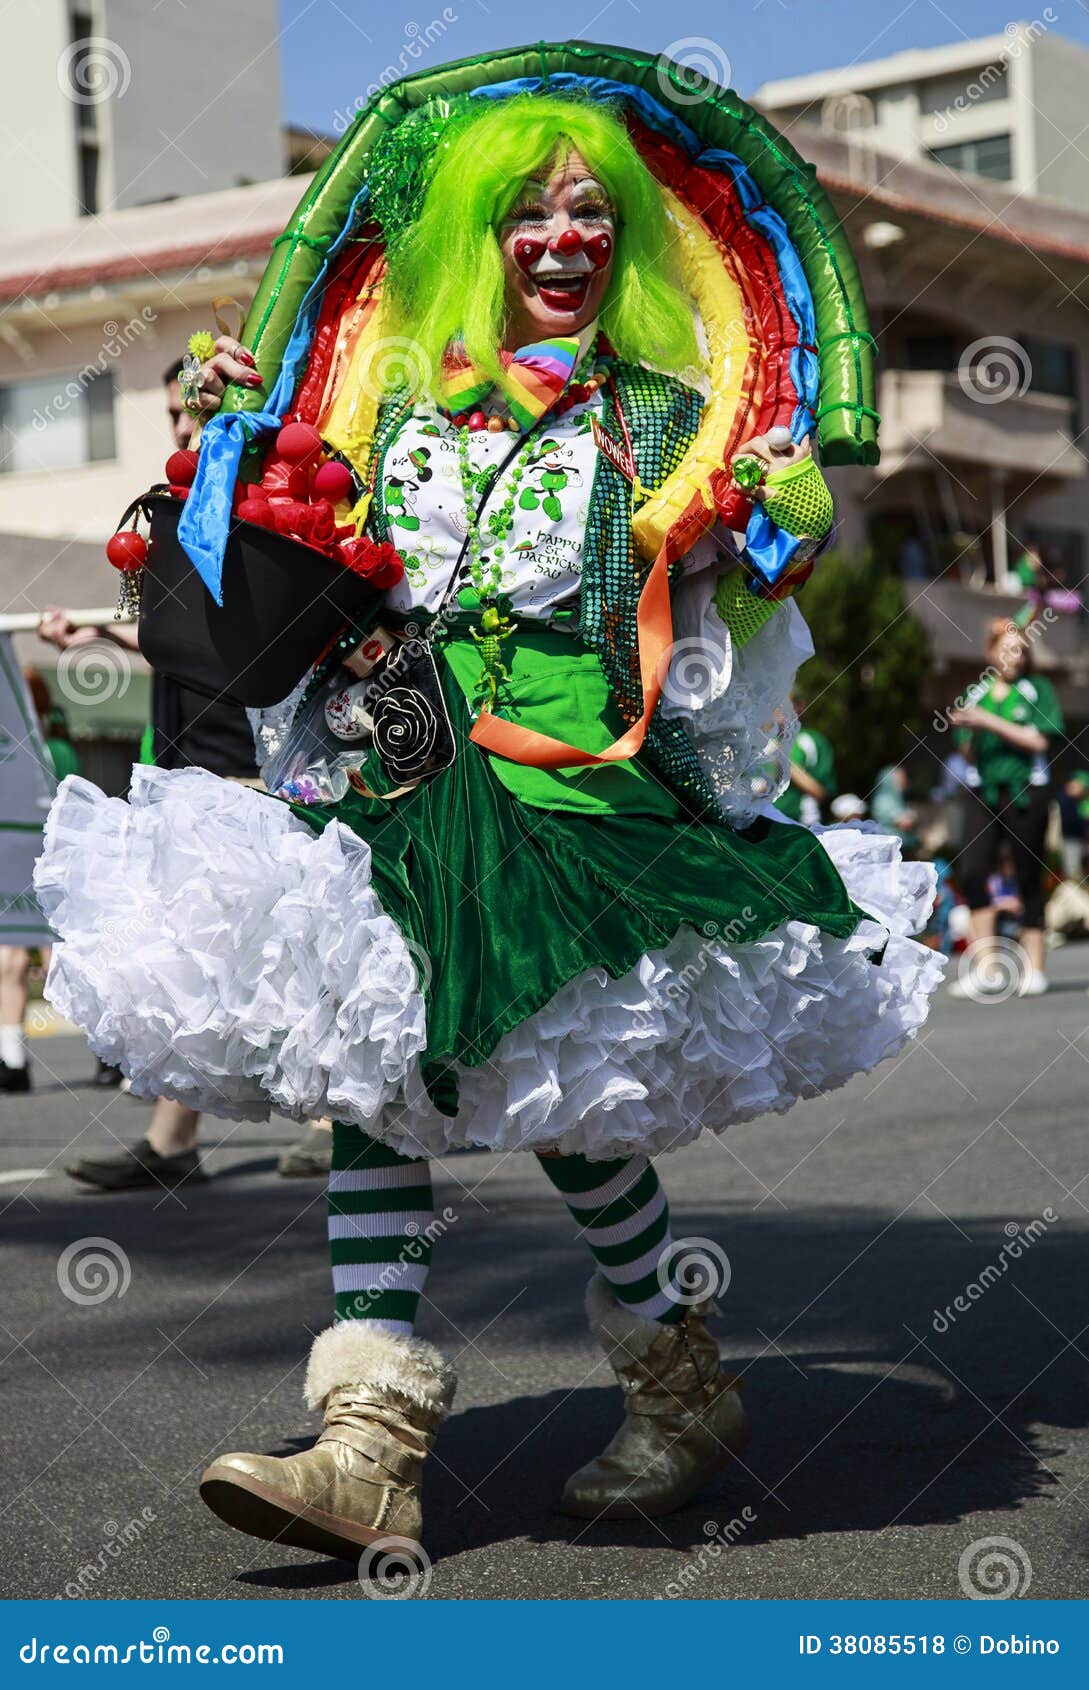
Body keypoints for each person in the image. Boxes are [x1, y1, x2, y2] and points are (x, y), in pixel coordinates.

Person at [35, 93, 942, 1560]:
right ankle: (372, 1440)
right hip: (402, 784)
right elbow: (301, 554)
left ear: (623, 238)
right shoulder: (394, 405)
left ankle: (664, 1378)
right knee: (387, 1077)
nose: (563, 236)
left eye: (591, 212)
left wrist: (779, 507)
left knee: (561, 1103)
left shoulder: (665, 413)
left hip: (582, 791)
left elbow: (758, 571)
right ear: (481, 235)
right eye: (531, 212)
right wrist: (237, 426)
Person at [37, 356, 331, 1183]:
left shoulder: (271, 506)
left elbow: (255, 641)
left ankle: (326, 1119)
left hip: (256, 761)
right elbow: (183, 638)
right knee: (201, 951)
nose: (179, 427)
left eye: (191, 409)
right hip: (186, 756)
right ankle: (174, 1142)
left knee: (285, 944)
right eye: (172, 414)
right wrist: (88, 640)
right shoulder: (183, 511)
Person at [947, 618, 1063, 998]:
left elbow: (1038, 740)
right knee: (974, 871)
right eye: (1006, 648)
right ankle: (987, 968)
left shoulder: (1037, 689)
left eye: (1020, 649)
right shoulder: (977, 690)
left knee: (1028, 875)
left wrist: (989, 721)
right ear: (990, 652)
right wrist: (966, 726)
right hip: (984, 792)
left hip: (1025, 791)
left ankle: (1035, 965)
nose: (1014, 656)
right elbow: (966, 747)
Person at [0, 672, 81, 1093]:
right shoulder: (53, 748)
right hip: (35, 860)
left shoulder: (41, 750)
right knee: (24, 959)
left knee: (46, 959)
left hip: (39, 861)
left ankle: (14, 1056)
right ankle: (12, 1057)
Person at [775, 693, 837, 826]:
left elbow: (821, 793)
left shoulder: (811, 741)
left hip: (801, 825)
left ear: (799, 707)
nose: (776, 709)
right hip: (764, 825)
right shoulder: (763, 744)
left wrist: (782, 760)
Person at [870, 763, 919, 855]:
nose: (904, 780)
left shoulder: (897, 798)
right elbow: (905, 823)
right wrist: (912, 818)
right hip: (891, 850)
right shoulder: (883, 800)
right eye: (901, 778)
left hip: (903, 848)